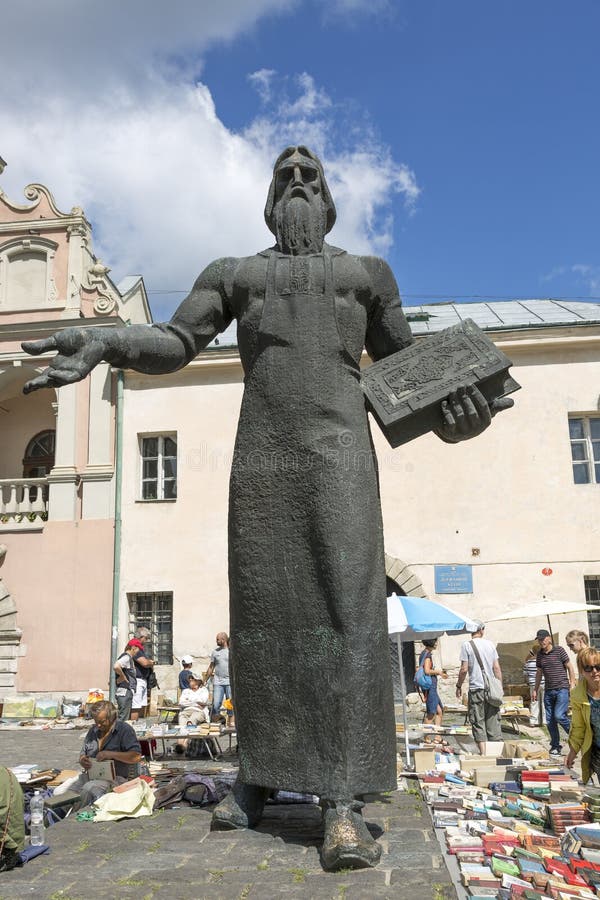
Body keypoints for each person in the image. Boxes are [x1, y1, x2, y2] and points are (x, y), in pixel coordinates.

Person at [21, 146, 512, 870]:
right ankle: (258, 774)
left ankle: (341, 802)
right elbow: (175, 341)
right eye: (287, 174)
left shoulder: (366, 274)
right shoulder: (235, 273)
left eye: (312, 174)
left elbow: (412, 378)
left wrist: (463, 415)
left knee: (346, 610)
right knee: (261, 612)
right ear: (269, 197)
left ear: (330, 196)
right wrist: (103, 340)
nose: (300, 180)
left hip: (341, 451)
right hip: (262, 455)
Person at [73, 701, 142, 808]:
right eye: (96, 721)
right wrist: (83, 760)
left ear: (112, 718)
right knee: (61, 793)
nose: (98, 725)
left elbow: (136, 756)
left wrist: (111, 754)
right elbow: (83, 754)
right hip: (91, 776)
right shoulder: (93, 731)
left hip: (117, 779)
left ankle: (73, 818)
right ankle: (55, 820)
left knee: (88, 789)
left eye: (102, 722)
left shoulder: (124, 730)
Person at [456, 622, 503, 754]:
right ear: (481, 630)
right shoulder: (490, 644)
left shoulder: (467, 645)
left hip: (476, 687)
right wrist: (500, 687)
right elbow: (497, 668)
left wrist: (459, 685)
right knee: (493, 719)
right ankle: (496, 753)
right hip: (491, 689)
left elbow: (464, 669)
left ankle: (484, 753)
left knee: (478, 720)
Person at [532, 628, 577, 756]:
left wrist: (572, 683)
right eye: (539, 640)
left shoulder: (559, 650)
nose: (541, 642)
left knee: (559, 715)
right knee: (550, 720)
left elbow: (569, 666)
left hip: (562, 688)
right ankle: (555, 746)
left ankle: (578, 738)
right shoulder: (540, 654)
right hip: (548, 690)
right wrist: (535, 689)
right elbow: (539, 673)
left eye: (542, 639)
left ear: (549, 638)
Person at [566, 646, 600, 783]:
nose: (595, 671)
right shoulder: (578, 695)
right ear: (581, 670)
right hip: (597, 751)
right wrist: (572, 753)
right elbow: (579, 727)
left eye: (598, 666)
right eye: (589, 668)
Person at [175, 674, 211, 754]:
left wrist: (189, 701)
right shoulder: (186, 691)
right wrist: (195, 702)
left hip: (198, 711)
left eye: (192, 679)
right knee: (182, 724)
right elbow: (181, 703)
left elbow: (203, 701)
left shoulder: (203, 690)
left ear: (198, 682)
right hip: (186, 711)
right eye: (190, 679)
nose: (190, 680)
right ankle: (180, 745)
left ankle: (185, 745)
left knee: (191, 721)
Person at [418, 639, 448, 727]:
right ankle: (425, 737)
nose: (436, 643)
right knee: (431, 713)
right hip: (430, 687)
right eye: (435, 641)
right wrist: (438, 672)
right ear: (431, 642)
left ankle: (437, 737)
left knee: (439, 711)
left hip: (431, 687)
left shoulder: (424, 653)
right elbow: (427, 671)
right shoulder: (427, 655)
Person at [113, 639, 141, 721]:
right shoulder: (126, 657)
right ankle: (118, 733)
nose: (137, 652)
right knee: (123, 718)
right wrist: (123, 676)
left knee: (124, 716)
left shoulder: (128, 658)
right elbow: (116, 666)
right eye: (137, 650)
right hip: (124, 691)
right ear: (133, 648)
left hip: (125, 691)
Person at [131, 627, 155, 721]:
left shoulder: (140, 648)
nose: (147, 640)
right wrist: (151, 663)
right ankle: (133, 727)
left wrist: (148, 662)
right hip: (137, 679)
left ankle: (137, 726)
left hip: (143, 680)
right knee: (135, 706)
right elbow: (144, 663)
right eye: (146, 638)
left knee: (141, 705)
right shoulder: (134, 647)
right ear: (141, 637)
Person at [206, 632, 232, 723]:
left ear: (223, 640)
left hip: (229, 681)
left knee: (230, 704)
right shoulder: (215, 652)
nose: (216, 641)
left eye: (218, 639)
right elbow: (211, 667)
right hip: (218, 682)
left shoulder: (231, 651)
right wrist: (205, 680)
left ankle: (230, 723)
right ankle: (217, 722)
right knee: (216, 704)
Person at [523, 643, 545, 726]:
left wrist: (527, 682)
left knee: (534, 702)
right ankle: (544, 721)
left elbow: (525, 675)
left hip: (533, 684)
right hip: (543, 683)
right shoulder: (544, 661)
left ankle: (533, 721)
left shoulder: (528, 662)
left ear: (532, 652)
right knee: (544, 701)